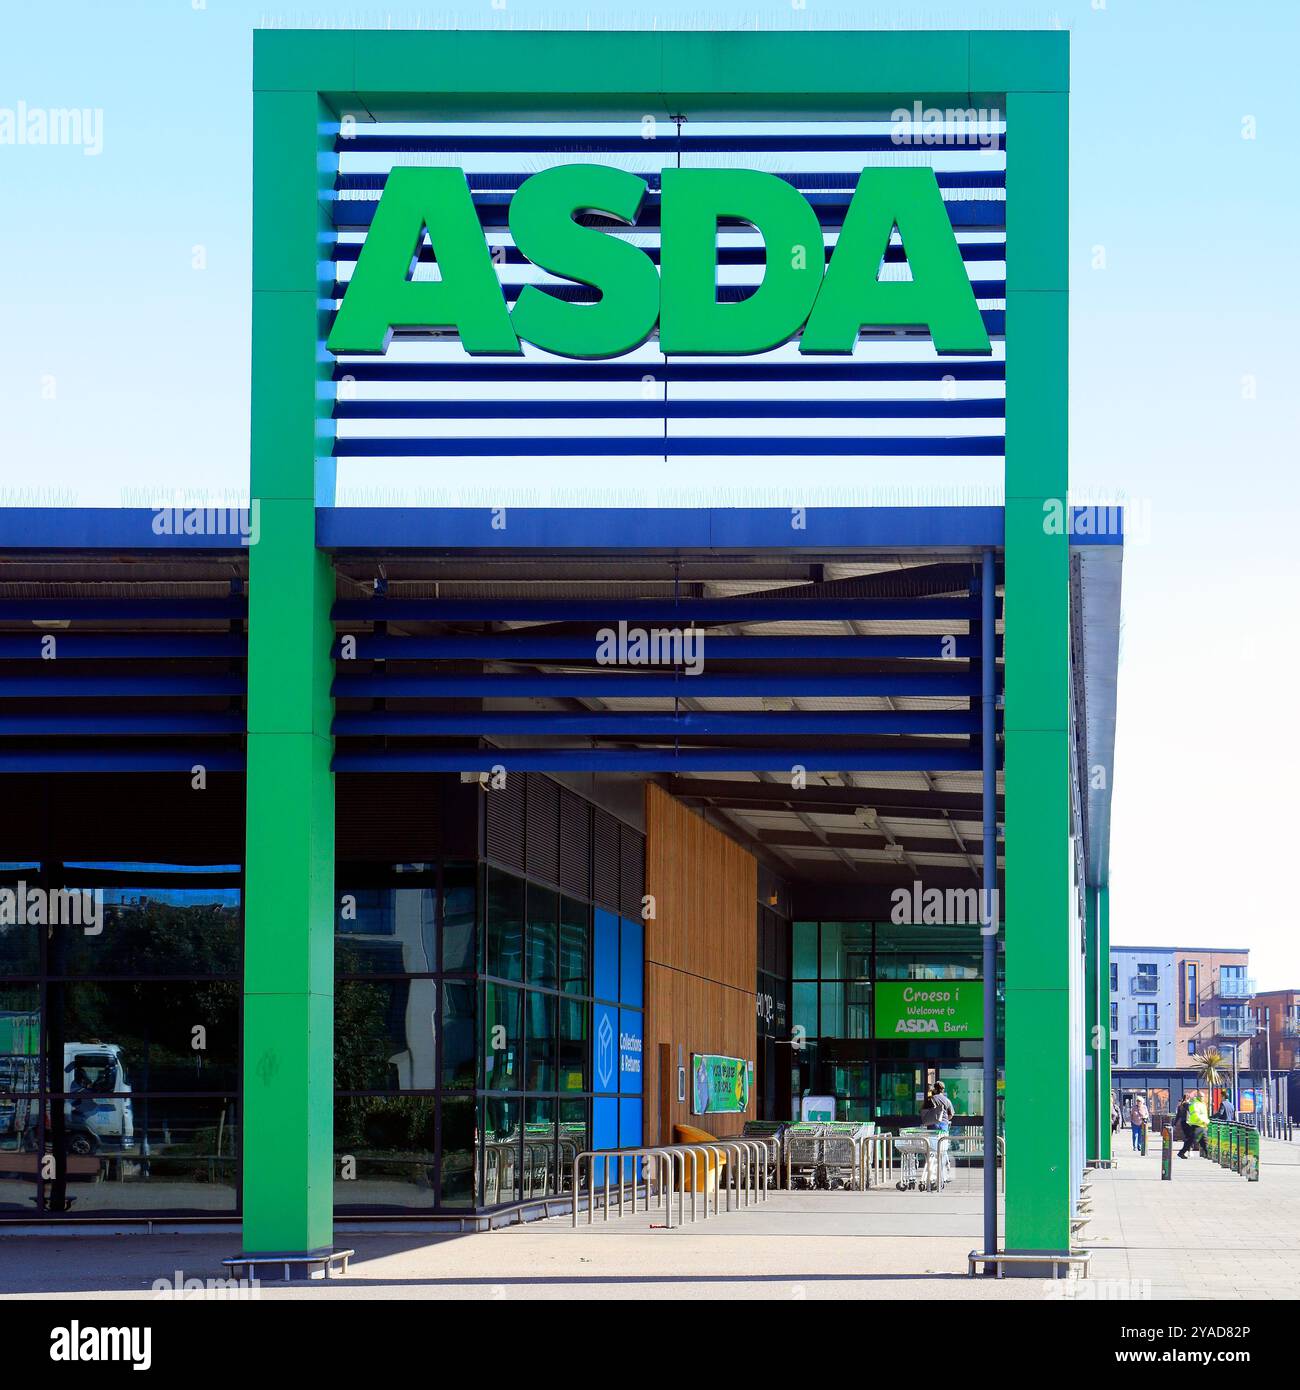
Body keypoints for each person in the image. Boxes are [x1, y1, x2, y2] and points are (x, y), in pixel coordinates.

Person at [1180, 1090, 1209, 1158]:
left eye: (1203, 1097)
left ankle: (1207, 1154)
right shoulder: (1195, 1104)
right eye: (1202, 1096)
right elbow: (1195, 1115)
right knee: (1191, 1140)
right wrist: (1204, 1121)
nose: (1203, 1098)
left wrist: (1206, 1122)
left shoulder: (1202, 1104)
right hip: (1197, 1125)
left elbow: (1204, 1115)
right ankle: (1181, 1153)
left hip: (1202, 1125)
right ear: (1198, 1097)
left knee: (1204, 1141)